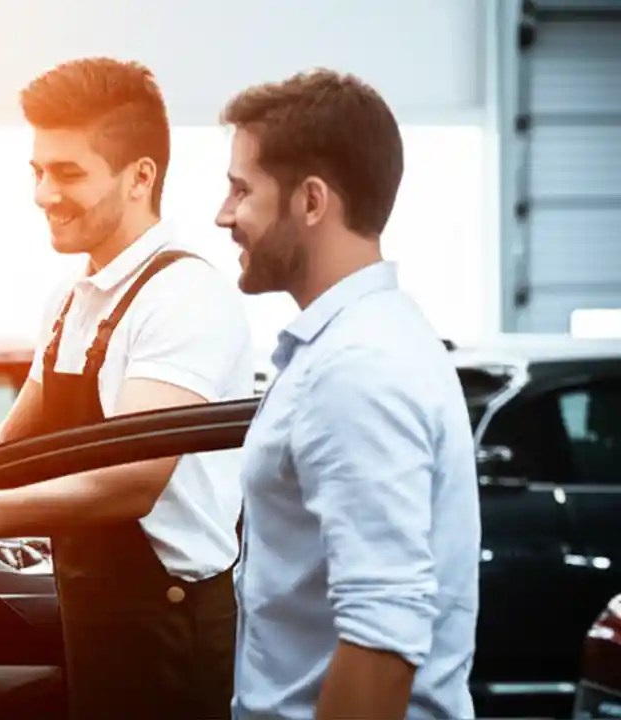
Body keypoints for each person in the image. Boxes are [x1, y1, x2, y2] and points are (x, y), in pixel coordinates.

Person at [0, 57, 255, 719]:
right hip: (96, 612)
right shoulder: (71, 299)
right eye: (37, 170)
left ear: (140, 177)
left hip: (168, 627)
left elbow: (132, 480)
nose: (42, 193)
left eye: (67, 172)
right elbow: (16, 441)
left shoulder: (184, 297)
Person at [216, 69, 480, 719]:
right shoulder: (365, 342)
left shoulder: (355, 370)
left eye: (241, 189)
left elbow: (383, 635)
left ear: (310, 202)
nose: (224, 215)